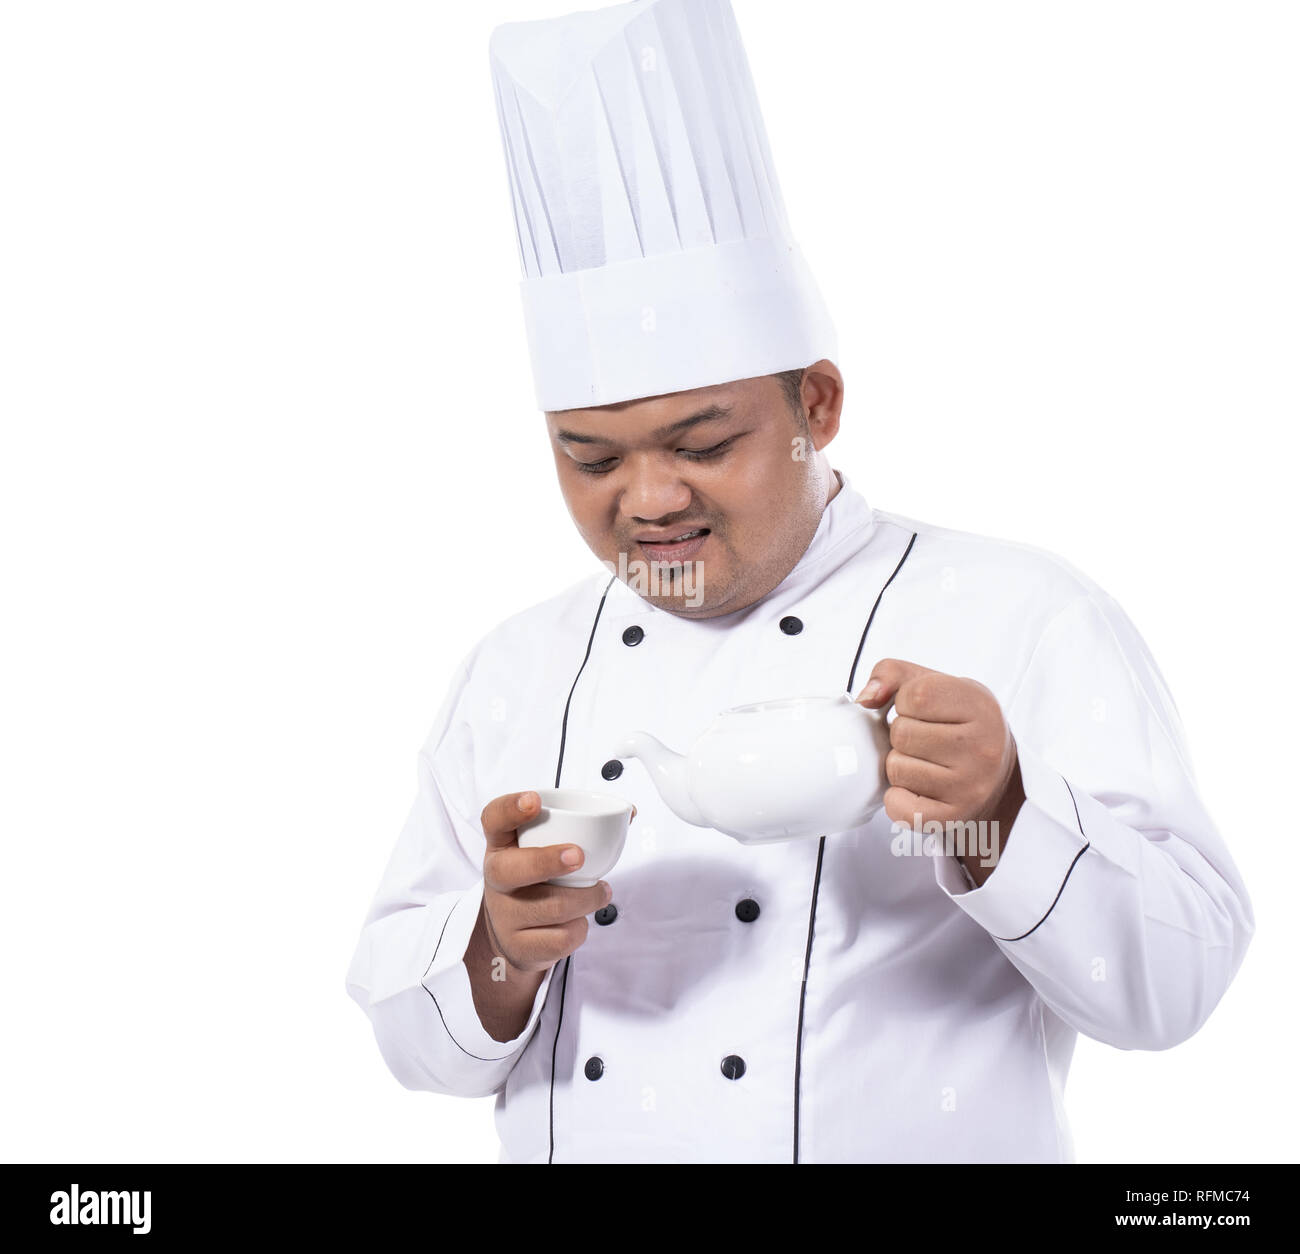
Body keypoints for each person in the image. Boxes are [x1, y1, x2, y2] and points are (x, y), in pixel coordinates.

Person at [344, 0, 1253, 1164]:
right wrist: (500, 948)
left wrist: (1002, 820)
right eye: (591, 457)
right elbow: (408, 1046)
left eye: (702, 442)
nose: (649, 499)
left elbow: (1173, 993)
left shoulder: (1022, 615)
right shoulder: (514, 669)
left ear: (812, 407)